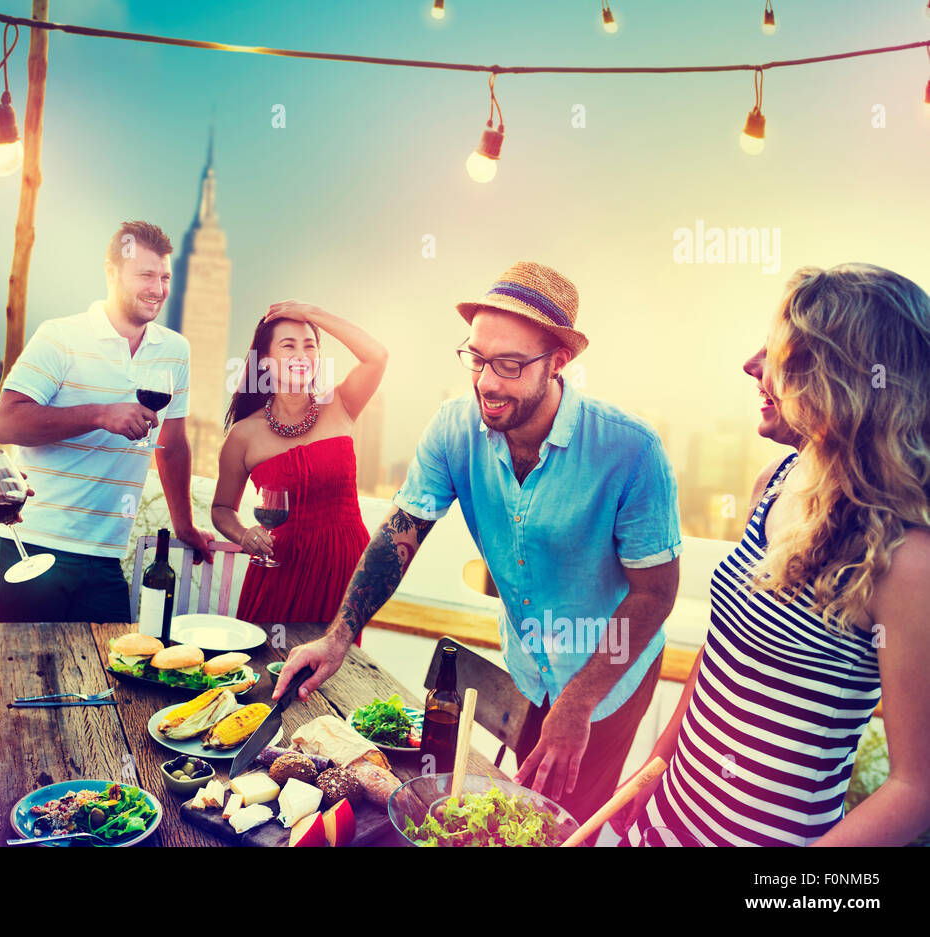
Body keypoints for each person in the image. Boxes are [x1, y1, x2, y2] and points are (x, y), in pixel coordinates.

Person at [275, 262, 682, 828]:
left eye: (511, 365)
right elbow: (401, 532)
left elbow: (656, 595)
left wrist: (578, 703)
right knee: (514, 816)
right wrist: (338, 637)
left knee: (565, 827)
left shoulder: (631, 451)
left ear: (560, 362)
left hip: (608, 677)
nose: (488, 382)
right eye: (478, 358)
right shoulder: (452, 428)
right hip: (528, 664)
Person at [612, 264, 930, 846]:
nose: (752, 365)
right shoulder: (774, 480)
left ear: (837, 378)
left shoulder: (908, 559)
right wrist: (651, 772)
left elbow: (918, 789)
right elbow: (723, 651)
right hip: (665, 821)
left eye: (777, 351)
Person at [0, 221, 214, 623]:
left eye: (164, 277)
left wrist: (186, 528)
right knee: (26, 683)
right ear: (111, 273)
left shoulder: (175, 350)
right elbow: (6, 423)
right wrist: (100, 414)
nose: (158, 289)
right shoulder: (60, 335)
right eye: (145, 275)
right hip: (32, 546)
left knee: (108, 681)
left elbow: (173, 445)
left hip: (106, 557)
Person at [211, 302, 387, 624]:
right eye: (288, 345)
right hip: (279, 568)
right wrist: (244, 535)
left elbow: (377, 355)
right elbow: (222, 508)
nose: (301, 355)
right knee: (264, 665)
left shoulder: (341, 404)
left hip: (344, 571)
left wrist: (310, 312)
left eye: (310, 346)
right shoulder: (243, 434)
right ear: (264, 360)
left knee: (334, 671)